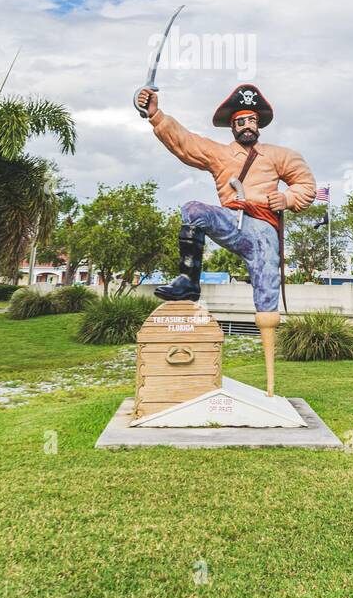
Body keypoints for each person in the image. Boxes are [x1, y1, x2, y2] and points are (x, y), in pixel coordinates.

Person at [135, 83, 316, 395]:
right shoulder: (219, 154)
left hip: (263, 231)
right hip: (232, 221)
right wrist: (155, 115)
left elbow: (306, 183)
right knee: (193, 210)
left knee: (266, 299)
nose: (247, 126)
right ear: (232, 126)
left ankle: (271, 385)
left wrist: (287, 198)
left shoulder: (279, 155)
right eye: (241, 121)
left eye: (252, 120)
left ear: (259, 124)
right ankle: (188, 282)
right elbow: (185, 142)